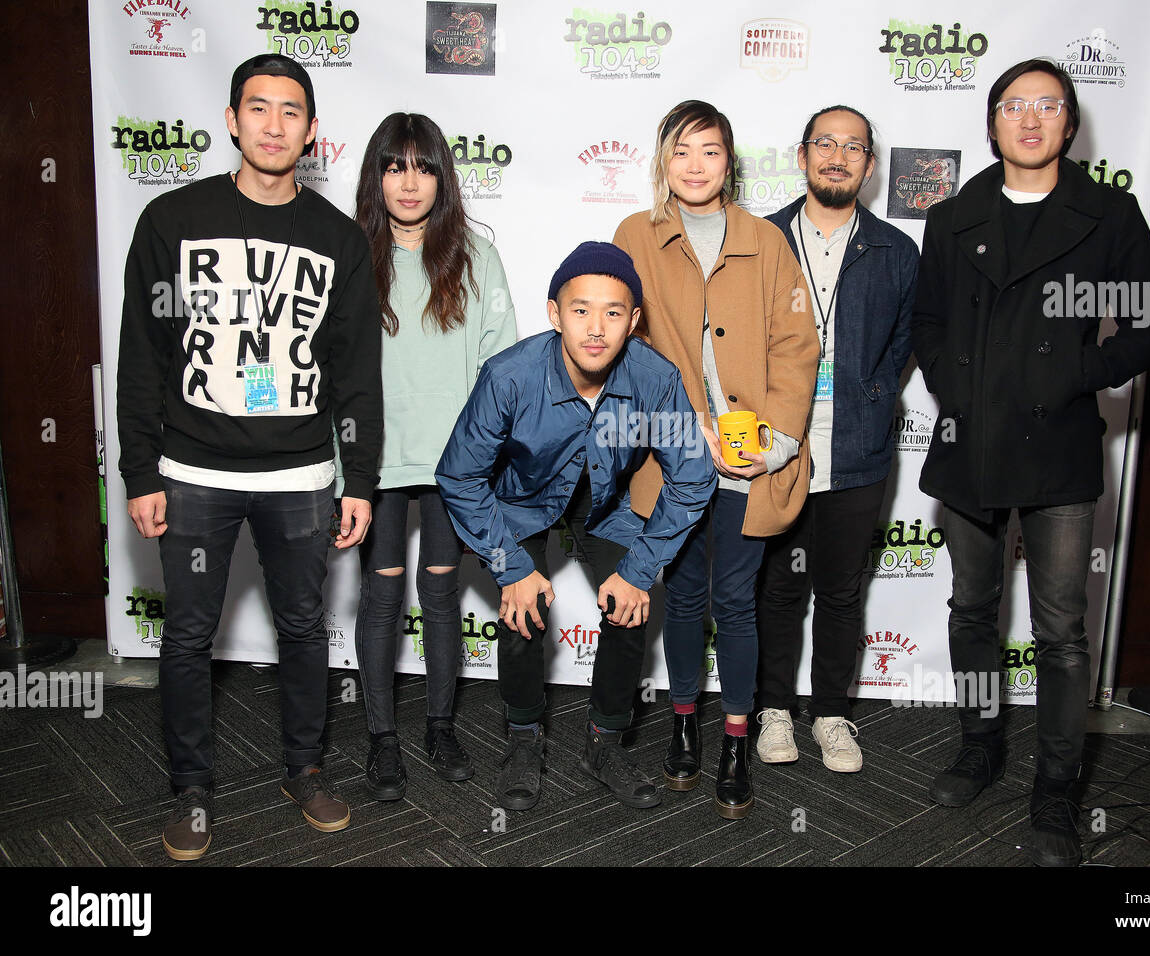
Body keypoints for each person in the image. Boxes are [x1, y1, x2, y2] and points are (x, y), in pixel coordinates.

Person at [117, 54, 383, 860]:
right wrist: (138, 470)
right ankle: (191, 789)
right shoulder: (171, 220)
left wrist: (359, 478)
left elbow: (355, 374)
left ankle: (303, 768)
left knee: (304, 629)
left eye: (291, 111)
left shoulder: (339, 239)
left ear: (312, 130)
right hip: (193, 472)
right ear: (231, 119)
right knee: (189, 636)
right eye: (258, 109)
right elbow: (142, 356)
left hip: (302, 475)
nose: (274, 125)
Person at [911, 58, 1150, 865]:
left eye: (1048, 106)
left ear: (1069, 123)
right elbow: (928, 324)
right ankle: (980, 744)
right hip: (969, 448)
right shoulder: (954, 216)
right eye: (1014, 105)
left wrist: (1071, 376)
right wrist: (957, 393)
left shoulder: (1107, 213)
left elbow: (1147, 329)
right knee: (971, 613)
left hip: (1058, 449)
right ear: (992, 121)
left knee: (1061, 634)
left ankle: (1057, 786)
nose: (1030, 119)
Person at [436, 242, 716, 813]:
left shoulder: (656, 378)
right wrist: (511, 565)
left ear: (634, 321)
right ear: (554, 312)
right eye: (581, 309)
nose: (596, 328)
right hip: (522, 501)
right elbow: (460, 476)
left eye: (613, 313)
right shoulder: (508, 376)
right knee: (521, 612)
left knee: (630, 605)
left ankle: (605, 742)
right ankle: (523, 739)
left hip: (606, 501)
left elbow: (692, 477)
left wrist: (640, 571)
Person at [613, 101, 818, 819]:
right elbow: (620, 341)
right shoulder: (634, 235)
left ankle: (734, 740)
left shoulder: (766, 240)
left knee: (735, 603)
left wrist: (782, 439)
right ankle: (681, 731)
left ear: (730, 162)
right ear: (662, 161)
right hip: (670, 459)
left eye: (710, 151)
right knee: (684, 599)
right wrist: (675, 424)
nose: (695, 166)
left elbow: (798, 344)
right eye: (681, 151)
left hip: (747, 458)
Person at [350, 113, 516, 800]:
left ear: (443, 177)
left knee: (441, 593)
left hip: (455, 464)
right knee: (383, 594)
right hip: (377, 462)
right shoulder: (350, 254)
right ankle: (382, 740)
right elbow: (330, 367)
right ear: (377, 175)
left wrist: (482, 457)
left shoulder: (476, 253)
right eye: (395, 166)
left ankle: (440, 725)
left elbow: (500, 365)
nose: (409, 182)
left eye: (424, 167)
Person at [756, 106, 918, 772]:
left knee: (843, 591)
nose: (837, 156)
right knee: (777, 588)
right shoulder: (760, 240)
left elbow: (906, 341)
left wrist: (875, 399)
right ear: (802, 155)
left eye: (853, 147)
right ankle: (772, 711)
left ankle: (830, 715)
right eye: (825, 143)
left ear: (870, 166)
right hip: (777, 447)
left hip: (857, 448)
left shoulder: (896, 251)